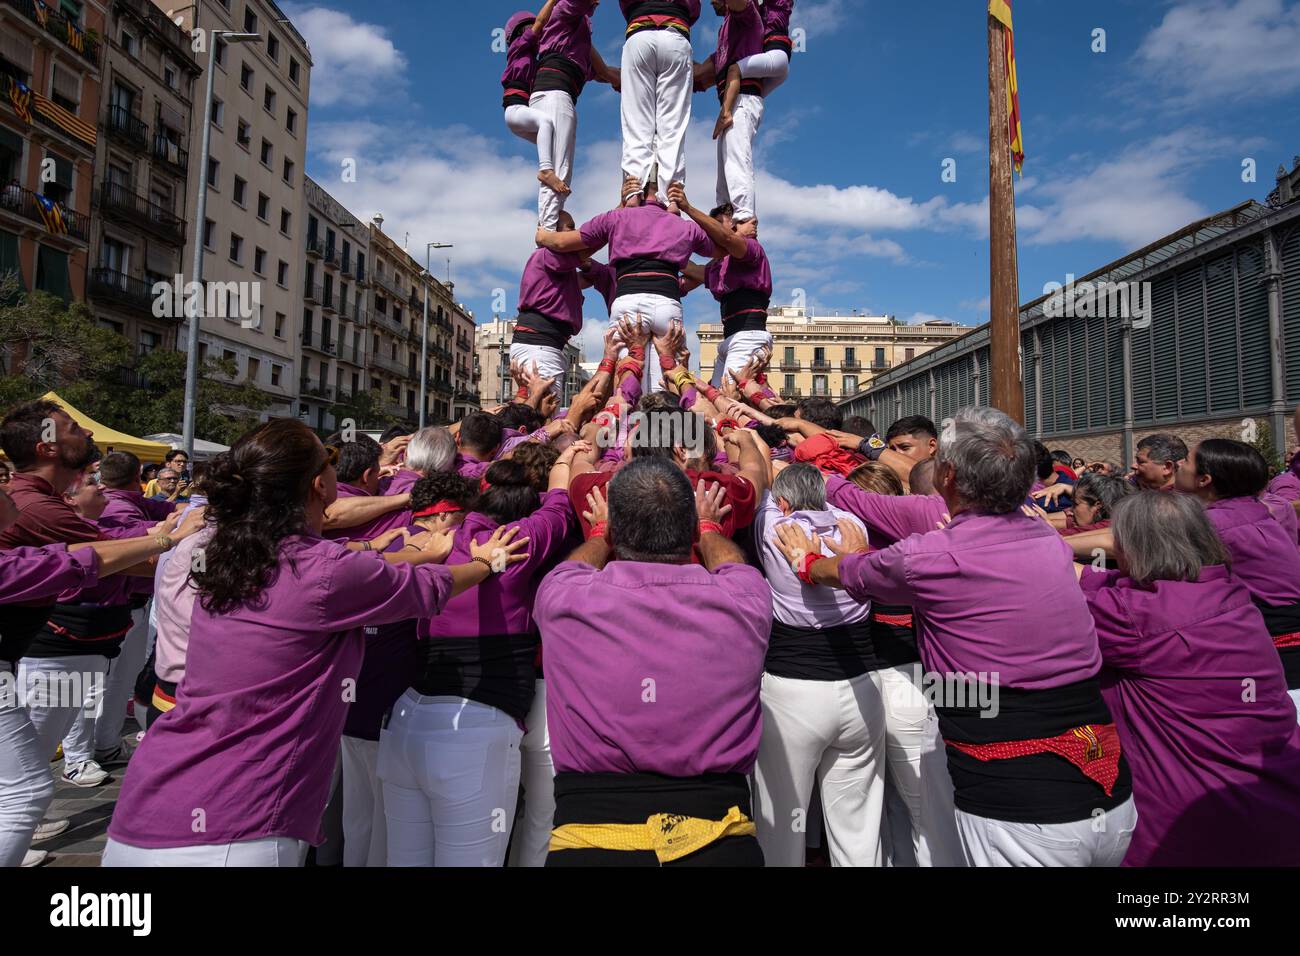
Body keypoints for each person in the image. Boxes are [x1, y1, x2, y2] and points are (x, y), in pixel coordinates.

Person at [102, 419, 528, 866]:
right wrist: (482, 562)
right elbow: (423, 588)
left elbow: (367, 569)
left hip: (145, 808)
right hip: (234, 827)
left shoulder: (228, 550)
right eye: (330, 459)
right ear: (320, 485)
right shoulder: (320, 570)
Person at [776, 407, 1137, 866]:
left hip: (1022, 809)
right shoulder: (1045, 538)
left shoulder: (931, 556)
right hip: (1110, 791)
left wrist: (807, 561)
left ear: (946, 475)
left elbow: (848, 572)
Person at [536, 457, 771, 865]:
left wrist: (598, 533)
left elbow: (573, 568)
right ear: (691, 530)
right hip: (720, 840)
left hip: (592, 842)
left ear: (614, 530)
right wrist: (711, 529)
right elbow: (734, 567)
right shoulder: (746, 599)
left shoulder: (563, 597)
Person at [381, 447, 579, 867]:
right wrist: (563, 464)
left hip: (406, 722)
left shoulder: (436, 541)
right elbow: (560, 510)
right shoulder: (511, 543)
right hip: (473, 729)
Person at [1079, 492, 1300, 865]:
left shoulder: (1135, 617)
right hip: (1275, 804)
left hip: (1191, 825)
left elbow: (1059, 588)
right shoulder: (1226, 590)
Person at [0, 484, 205, 868]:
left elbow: (78, 553)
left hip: (62, 652)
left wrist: (162, 536)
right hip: (53, 653)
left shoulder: (35, 542)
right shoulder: (29, 541)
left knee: (30, 766)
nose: (8, 491)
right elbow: (75, 561)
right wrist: (169, 539)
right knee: (27, 783)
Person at [340, 470, 477, 868]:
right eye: (461, 516)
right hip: (388, 711)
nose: (464, 526)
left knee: (357, 820)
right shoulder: (430, 550)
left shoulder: (381, 540)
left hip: (351, 703)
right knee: (385, 829)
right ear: (443, 515)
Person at [750, 463, 885, 866]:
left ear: (785, 502)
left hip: (794, 694)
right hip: (862, 688)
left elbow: (757, 472)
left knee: (783, 824)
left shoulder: (773, 526)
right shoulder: (852, 526)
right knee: (859, 825)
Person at [536, 180, 724, 393]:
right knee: (664, 387)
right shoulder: (684, 227)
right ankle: (669, 420)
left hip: (628, 309)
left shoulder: (617, 220)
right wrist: (680, 241)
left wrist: (543, 235)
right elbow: (723, 247)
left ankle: (624, 420)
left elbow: (574, 252)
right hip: (667, 303)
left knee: (626, 386)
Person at [1174, 438, 1300, 716]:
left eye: (1187, 460)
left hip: (1276, 649)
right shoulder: (1254, 508)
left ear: (1204, 479)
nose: (1179, 463)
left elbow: (1127, 542)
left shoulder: (1214, 522)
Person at [531, 0, 618, 229]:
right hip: (554, 95)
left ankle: (548, 229)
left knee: (560, 170)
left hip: (553, 96)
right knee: (559, 172)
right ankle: (548, 235)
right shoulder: (564, 13)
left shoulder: (576, 44)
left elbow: (605, 73)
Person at [678, 199, 773, 387]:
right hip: (732, 337)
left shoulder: (751, 247)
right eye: (743, 220)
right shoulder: (719, 265)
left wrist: (687, 207)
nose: (754, 222)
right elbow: (692, 272)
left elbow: (728, 239)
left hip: (748, 334)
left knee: (730, 397)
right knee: (716, 394)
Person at [618, 0, 701, 205]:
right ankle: (671, 198)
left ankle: (633, 193)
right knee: (672, 126)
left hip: (640, 34)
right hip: (675, 35)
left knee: (636, 122)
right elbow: (694, 11)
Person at [702, 1, 765, 222]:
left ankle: (745, 220)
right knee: (725, 175)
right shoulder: (724, 36)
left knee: (737, 160)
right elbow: (700, 72)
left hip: (744, 99)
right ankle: (726, 222)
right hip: (730, 104)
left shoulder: (746, 18)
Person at [501, 5, 571, 198]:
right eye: (531, 29)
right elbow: (540, 23)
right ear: (520, 33)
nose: (539, 32)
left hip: (519, 115)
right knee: (546, 122)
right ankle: (545, 171)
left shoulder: (535, 60)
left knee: (555, 142)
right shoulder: (518, 47)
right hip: (515, 110)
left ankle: (551, 173)